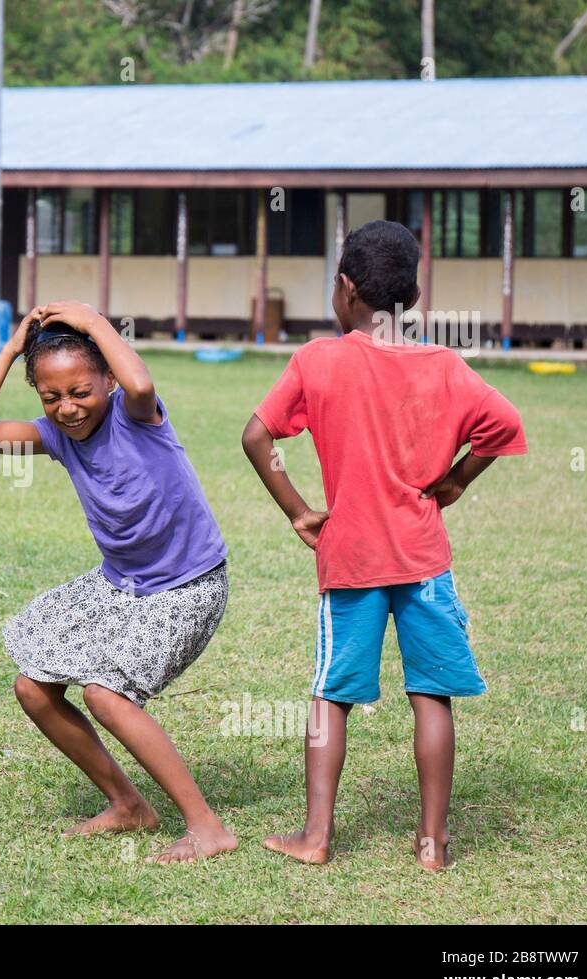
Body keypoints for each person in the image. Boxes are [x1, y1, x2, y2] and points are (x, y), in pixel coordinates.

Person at [241, 220, 527, 869]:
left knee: (332, 693)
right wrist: (455, 477)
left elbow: (258, 437)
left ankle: (315, 836)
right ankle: (431, 842)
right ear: (414, 296)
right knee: (431, 694)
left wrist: (297, 510)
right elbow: (503, 425)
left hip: (352, 556)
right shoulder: (446, 365)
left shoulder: (318, 360)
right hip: (423, 559)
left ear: (346, 288)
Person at [0, 301, 235, 863]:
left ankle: (207, 826)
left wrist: (89, 321)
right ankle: (127, 804)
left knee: (104, 694)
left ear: (106, 379)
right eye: (51, 396)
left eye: (81, 391)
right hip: (121, 585)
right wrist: (11, 351)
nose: (67, 408)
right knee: (32, 687)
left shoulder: (139, 415)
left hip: (187, 585)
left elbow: (141, 379)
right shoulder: (57, 435)